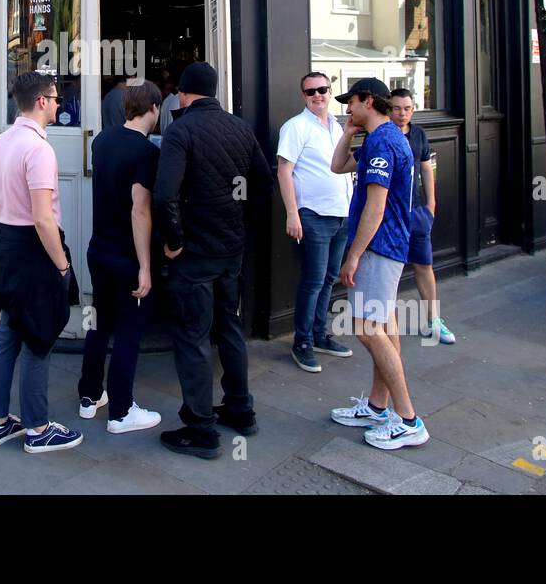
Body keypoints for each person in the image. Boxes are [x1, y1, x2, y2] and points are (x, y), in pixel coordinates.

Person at [154, 61, 272, 459]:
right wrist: (240, 227)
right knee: (230, 327)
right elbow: (262, 184)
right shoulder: (239, 127)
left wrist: (173, 241)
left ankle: (201, 428)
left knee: (192, 336)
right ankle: (241, 409)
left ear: (184, 94)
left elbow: (164, 195)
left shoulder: (180, 129)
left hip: (194, 254)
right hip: (230, 249)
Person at [0, 71, 83, 453]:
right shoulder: (38, 149)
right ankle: (39, 430)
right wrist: (62, 266)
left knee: (7, 337)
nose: (59, 104)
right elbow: (43, 218)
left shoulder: (2, 140)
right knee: (39, 339)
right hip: (33, 251)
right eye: (55, 98)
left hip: (6, 245)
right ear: (41, 101)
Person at [329, 78, 429, 450]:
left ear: (368, 100)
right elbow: (338, 165)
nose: (347, 108)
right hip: (388, 246)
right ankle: (377, 406)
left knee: (368, 329)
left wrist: (353, 255)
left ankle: (408, 419)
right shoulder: (381, 139)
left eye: (351, 103)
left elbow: (376, 205)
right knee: (383, 327)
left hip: (379, 247)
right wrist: (348, 132)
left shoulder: (384, 143)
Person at [76, 80, 163, 434]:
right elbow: (139, 211)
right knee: (129, 330)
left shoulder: (102, 140)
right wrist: (145, 266)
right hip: (126, 256)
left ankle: (89, 396)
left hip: (98, 250)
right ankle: (122, 412)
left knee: (99, 322)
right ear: (154, 109)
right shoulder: (146, 152)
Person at [276, 71, 354, 374]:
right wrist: (292, 213)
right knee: (313, 280)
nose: (317, 95)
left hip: (341, 213)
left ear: (330, 90)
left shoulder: (338, 126)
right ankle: (303, 342)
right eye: (310, 92)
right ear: (303, 96)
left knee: (329, 278)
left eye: (322, 89)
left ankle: (320, 334)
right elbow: (284, 172)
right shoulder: (295, 127)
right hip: (313, 216)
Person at [389, 88, 454, 345]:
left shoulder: (419, 135)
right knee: (391, 269)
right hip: (391, 215)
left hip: (417, 212)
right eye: (396, 108)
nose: (402, 113)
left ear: (413, 109)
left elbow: (427, 168)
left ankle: (433, 320)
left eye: (407, 108)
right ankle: (388, 324)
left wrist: (431, 204)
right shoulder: (382, 135)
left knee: (424, 265)